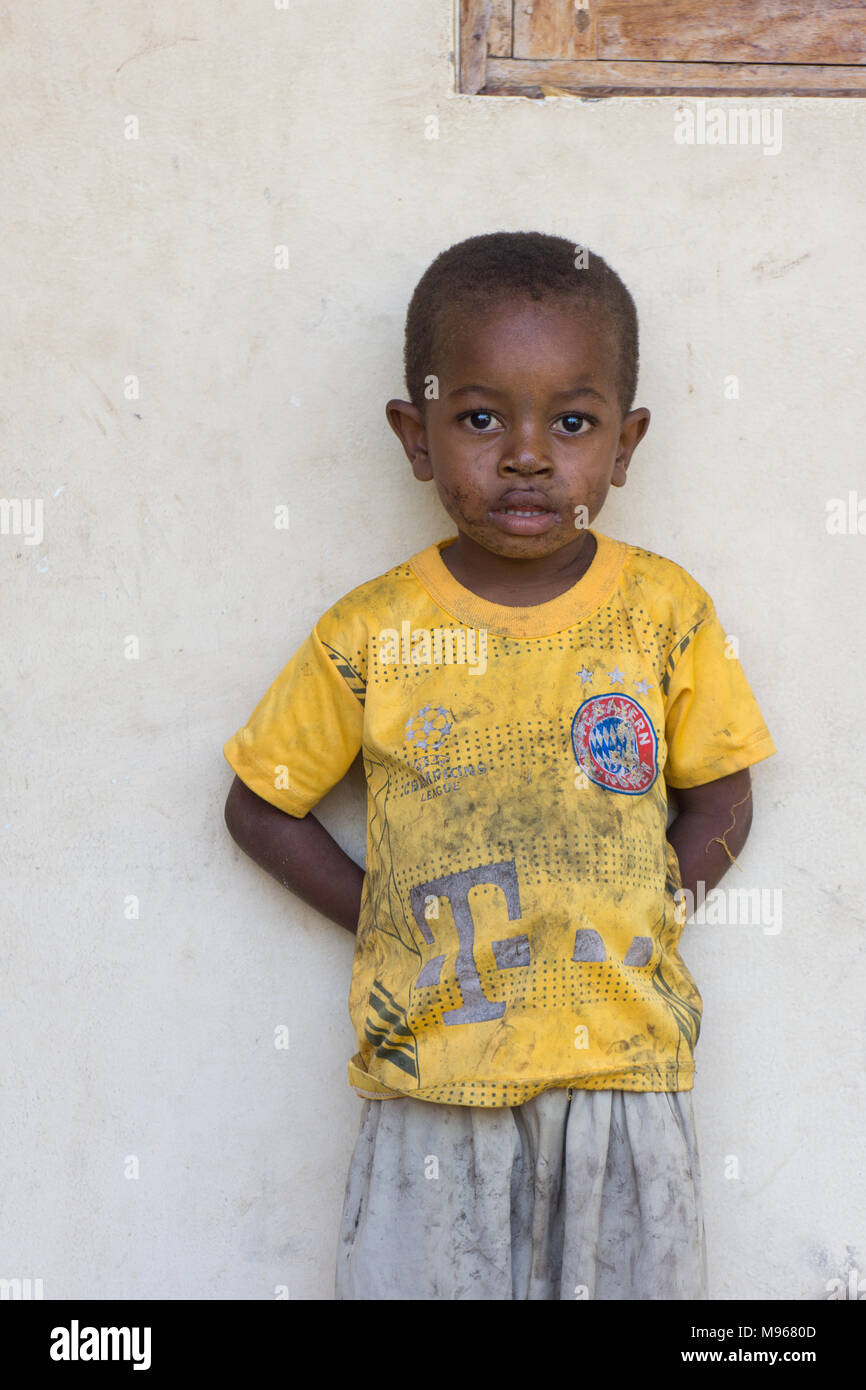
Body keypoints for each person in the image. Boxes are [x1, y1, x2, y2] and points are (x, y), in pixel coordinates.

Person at [222, 231, 777, 1300]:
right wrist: (396, 919)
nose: (526, 454)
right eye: (479, 418)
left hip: (622, 1070)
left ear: (623, 444)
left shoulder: (663, 613)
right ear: (415, 437)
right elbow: (260, 807)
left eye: (571, 422)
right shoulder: (374, 631)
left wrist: (655, 903)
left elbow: (720, 790)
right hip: (437, 1074)